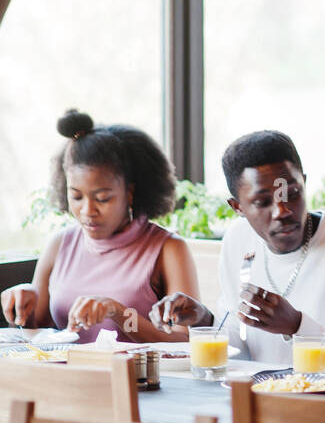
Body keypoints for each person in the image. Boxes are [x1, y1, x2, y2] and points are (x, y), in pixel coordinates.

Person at [153, 129, 325, 366]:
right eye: (262, 202)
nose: (282, 211)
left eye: (292, 193)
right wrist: (204, 320)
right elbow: (241, 351)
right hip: (257, 394)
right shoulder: (237, 239)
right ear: (238, 207)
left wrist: (296, 326)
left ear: (304, 183)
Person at [1, 109, 199, 344]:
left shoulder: (167, 249)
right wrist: (22, 305)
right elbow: (40, 331)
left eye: (103, 198)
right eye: (76, 197)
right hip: (67, 377)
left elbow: (184, 342)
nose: (87, 211)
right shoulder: (60, 244)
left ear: (131, 192)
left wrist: (118, 312)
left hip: (137, 380)